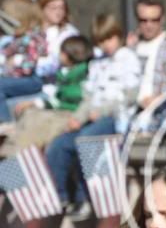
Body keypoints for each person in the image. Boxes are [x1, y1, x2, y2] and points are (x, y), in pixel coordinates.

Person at [46, 15, 141, 217]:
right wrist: (77, 118)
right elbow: (88, 98)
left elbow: (129, 96)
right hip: (92, 118)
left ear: (118, 36)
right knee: (60, 143)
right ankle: (59, 197)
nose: (105, 45)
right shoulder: (97, 63)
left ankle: (85, 198)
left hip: (116, 119)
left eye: (109, 39)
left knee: (85, 141)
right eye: (100, 41)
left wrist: (103, 111)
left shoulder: (128, 58)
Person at [0, 0, 47, 123]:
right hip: (16, 77)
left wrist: (12, 65)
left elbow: (27, 67)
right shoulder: (16, 39)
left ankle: (4, 123)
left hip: (32, 80)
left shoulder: (33, 38)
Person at [35, 0, 80, 84]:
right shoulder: (33, 32)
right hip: (33, 81)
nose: (58, 12)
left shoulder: (70, 33)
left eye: (62, 8)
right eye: (53, 8)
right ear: (41, 8)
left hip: (57, 83)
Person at [45, 35, 92, 111]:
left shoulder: (82, 75)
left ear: (70, 54)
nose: (59, 55)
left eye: (61, 52)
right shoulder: (64, 73)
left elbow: (76, 100)